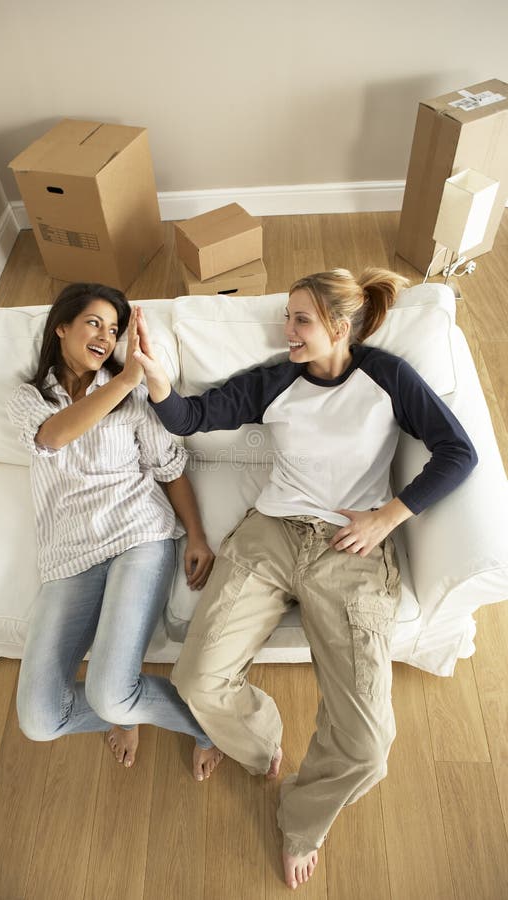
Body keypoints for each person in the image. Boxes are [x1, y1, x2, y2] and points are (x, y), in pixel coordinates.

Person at [132, 267, 478, 889]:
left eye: (300, 320)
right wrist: (158, 382)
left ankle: (301, 818)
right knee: (196, 679)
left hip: (352, 549)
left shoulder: (387, 377)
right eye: (287, 317)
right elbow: (191, 418)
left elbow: (459, 451)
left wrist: (388, 517)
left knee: (369, 748)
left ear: (340, 327)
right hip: (270, 532)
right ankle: (260, 744)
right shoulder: (276, 379)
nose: (284, 329)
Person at [6, 282, 223, 781]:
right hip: (68, 557)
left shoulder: (136, 395)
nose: (106, 336)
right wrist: (124, 380)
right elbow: (53, 437)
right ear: (61, 326)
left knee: (110, 691)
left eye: (114, 329)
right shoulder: (29, 398)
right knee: (39, 719)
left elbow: (169, 466)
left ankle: (206, 726)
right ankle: (133, 708)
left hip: (137, 537)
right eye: (94, 323)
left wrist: (195, 535)